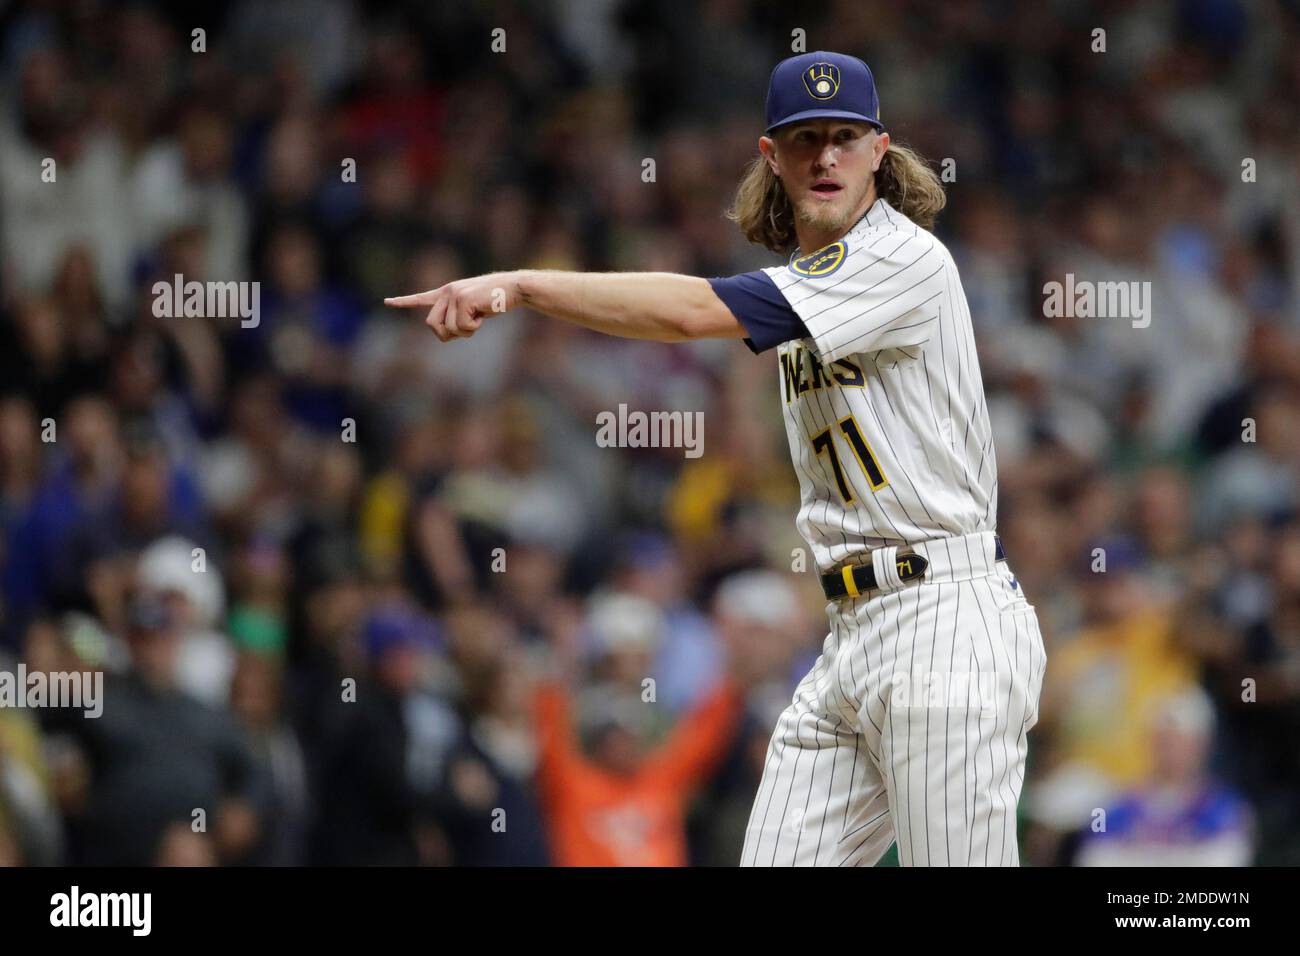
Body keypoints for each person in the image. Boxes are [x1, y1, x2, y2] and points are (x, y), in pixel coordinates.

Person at [385, 51, 1047, 867]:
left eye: (846, 136)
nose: (826, 156)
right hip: (852, 629)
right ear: (772, 156)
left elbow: (697, 310)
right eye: (805, 139)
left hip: (944, 616)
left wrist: (525, 283)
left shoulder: (901, 257)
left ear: (881, 150)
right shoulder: (812, 276)